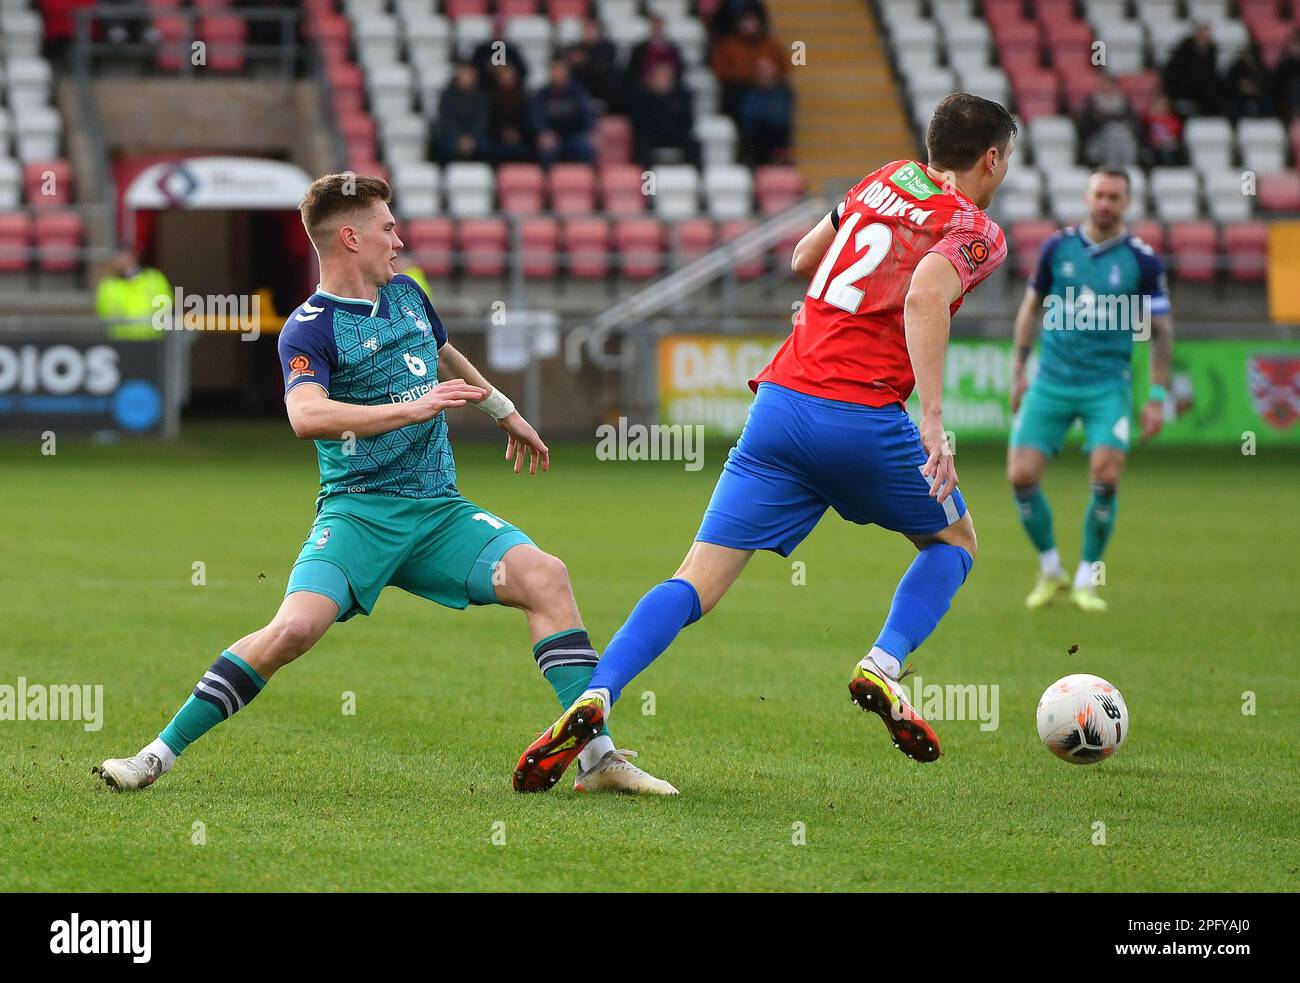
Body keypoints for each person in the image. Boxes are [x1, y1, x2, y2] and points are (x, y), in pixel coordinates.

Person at [94, 174, 676, 796]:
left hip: (439, 514)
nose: (399, 240)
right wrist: (412, 408)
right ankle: (155, 756)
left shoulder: (407, 295)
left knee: (545, 576)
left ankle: (600, 761)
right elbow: (306, 416)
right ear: (350, 237)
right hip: (359, 517)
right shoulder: (309, 327)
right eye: (388, 228)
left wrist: (504, 411)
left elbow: (444, 352)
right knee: (292, 631)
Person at [512, 94, 1016, 789]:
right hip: (862, 415)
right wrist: (932, 419)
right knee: (956, 541)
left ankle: (599, 693)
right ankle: (884, 662)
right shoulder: (975, 226)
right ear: (992, 158)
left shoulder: (884, 178)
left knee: (694, 579)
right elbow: (925, 295)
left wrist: (835, 305)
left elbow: (808, 255)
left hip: (780, 404)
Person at [1007, 168, 1175, 613]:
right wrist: (1018, 370)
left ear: (1127, 202)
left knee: (1106, 472)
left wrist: (1157, 397)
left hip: (1107, 385)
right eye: (1099, 194)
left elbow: (1161, 333)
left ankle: (1086, 578)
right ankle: (1050, 570)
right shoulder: (1056, 248)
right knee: (1020, 474)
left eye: (1114, 197)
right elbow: (1030, 309)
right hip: (1051, 382)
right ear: (1087, 196)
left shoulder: (1143, 260)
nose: (1105, 203)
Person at [711, 11, 788, 121]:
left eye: (752, 21)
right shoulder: (729, 45)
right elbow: (719, 71)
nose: (749, 25)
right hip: (737, 90)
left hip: (767, 91)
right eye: (745, 22)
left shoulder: (771, 45)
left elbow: (784, 69)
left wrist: (768, 78)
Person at [630, 61, 700, 167]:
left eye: (665, 76)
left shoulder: (682, 96)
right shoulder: (644, 96)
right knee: (641, 145)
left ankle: (696, 177)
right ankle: (646, 179)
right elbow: (640, 122)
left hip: (676, 135)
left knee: (694, 144)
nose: (662, 79)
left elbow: (688, 121)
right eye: (659, 76)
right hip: (653, 136)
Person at [95, 248, 172, 341]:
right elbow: (104, 310)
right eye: (119, 258)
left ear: (134, 258)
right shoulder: (109, 284)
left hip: (152, 338)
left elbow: (166, 303)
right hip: (122, 339)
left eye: (126, 258)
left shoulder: (154, 278)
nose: (122, 262)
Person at [531, 59, 596, 167]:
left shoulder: (578, 92)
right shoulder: (541, 94)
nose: (558, 75)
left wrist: (590, 130)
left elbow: (588, 113)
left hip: (575, 134)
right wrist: (543, 132)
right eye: (555, 71)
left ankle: (586, 180)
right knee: (545, 149)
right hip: (552, 135)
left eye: (560, 71)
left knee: (586, 147)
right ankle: (548, 181)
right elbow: (536, 117)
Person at [737, 55, 793, 164]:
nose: (764, 74)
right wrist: (768, 113)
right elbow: (748, 117)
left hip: (775, 143)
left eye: (767, 70)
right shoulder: (750, 94)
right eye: (761, 71)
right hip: (755, 142)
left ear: (774, 72)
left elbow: (782, 119)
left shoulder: (782, 94)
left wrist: (764, 115)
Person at [1078, 74, 1141, 167]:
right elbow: (1084, 127)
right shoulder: (1092, 102)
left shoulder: (1124, 101)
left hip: (1123, 137)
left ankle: (1128, 168)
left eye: (1110, 84)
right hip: (1098, 140)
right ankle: (1112, 169)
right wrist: (1099, 119)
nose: (1107, 87)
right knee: (1112, 133)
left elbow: (1134, 123)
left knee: (1123, 137)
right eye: (1104, 84)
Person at [1162, 23, 1223, 118]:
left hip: (1205, 96)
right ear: (1196, 35)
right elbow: (1172, 77)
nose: (1206, 39)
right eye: (1203, 35)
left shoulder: (1211, 54)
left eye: (1208, 36)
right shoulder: (1182, 54)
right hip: (1184, 94)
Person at [436, 61, 489, 163]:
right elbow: (446, 121)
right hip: (453, 136)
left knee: (487, 145)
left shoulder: (481, 97)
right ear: (458, 75)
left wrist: (472, 138)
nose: (468, 78)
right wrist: (459, 139)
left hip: (475, 137)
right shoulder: (447, 96)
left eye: (471, 75)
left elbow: (482, 121)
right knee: (445, 144)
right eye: (465, 74)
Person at [565, 17, 620, 109]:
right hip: (580, 87)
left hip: (602, 86)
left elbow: (604, 67)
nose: (588, 32)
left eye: (591, 29)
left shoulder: (608, 47)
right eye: (586, 29)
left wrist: (586, 60)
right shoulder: (575, 48)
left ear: (599, 31)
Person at [486, 63, 536, 163]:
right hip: (497, 137)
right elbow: (489, 122)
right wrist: (503, 133)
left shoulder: (525, 98)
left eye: (510, 76)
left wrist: (518, 133)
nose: (507, 79)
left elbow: (529, 120)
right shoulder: (491, 98)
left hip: (522, 137)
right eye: (503, 76)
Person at [626, 14, 684, 90]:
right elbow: (633, 70)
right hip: (645, 87)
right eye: (655, 26)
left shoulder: (672, 49)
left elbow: (679, 68)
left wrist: (668, 81)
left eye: (660, 26)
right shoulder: (639, 49)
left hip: (669, 87)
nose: (658, 29)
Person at [1225, 43, 1273, 119]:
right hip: (1240, 100)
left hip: (1259, 100)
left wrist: (1255, 89)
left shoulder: (1261, 68)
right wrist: (1241, 87)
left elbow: (1267, 86)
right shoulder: (1236, 68)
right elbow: (1229, 86)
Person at [1142, 94, 1184, 167]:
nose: (1160, 107)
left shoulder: (1173, 121)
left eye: (1163, 105)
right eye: (1157, 104)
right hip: (1152, 150)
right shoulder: (1146, 120)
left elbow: (1176, 137)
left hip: (1169, 149)